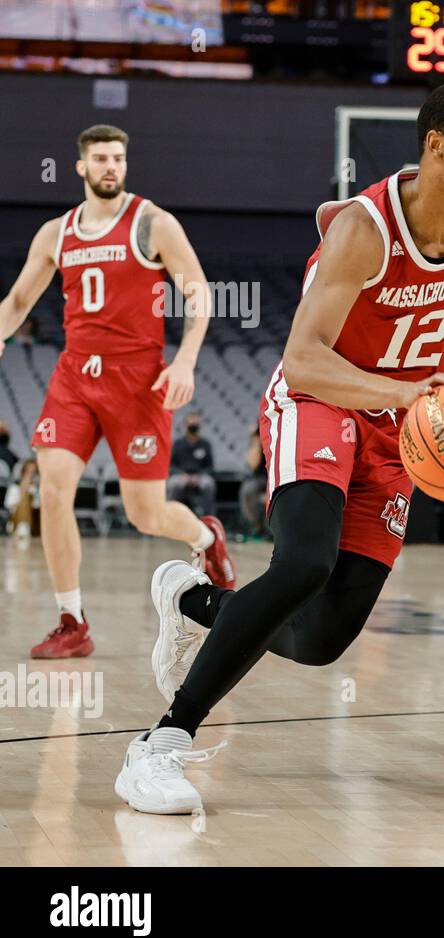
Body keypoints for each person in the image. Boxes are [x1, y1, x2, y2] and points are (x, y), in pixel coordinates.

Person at [113, 81, 444, 814]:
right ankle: (160, 744)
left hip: (398, 426)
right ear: (436, 145)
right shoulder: (366, 227)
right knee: (303, 563)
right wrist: (400, 392)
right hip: (325, 399)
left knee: (322, 640)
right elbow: (302, 360)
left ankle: (191, 599)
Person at [0, 124, 235, 659]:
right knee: (53, 489)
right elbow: (17, 301)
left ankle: (205, 537)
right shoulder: (56, 233)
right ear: (81, 167)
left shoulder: (154, 223)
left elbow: (199, 296)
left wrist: (186, 360)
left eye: (119, 158)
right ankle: (71, 620)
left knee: (144, 514)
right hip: (75, 376)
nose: (111, 166)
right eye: (101, 158)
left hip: (138, 380)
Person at [166, 413, 218, 519]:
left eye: (196, 423)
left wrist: (198, 476)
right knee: (172, 484)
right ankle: (171, 517)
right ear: (185, 425)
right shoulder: (178, 444)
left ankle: (208, 518)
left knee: (208, 484)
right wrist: (182, 475)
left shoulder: (205, 444)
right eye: (191, 423)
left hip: (200, 476)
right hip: (181, 475)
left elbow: (210, 467)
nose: (193, 425)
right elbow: (171, 466)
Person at [238, 423, 267, 537]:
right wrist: (255, 438)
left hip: (281, 474)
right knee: (248, 489)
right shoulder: (258, 439)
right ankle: (256, 525)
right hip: (262, 478)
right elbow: (252, 464)